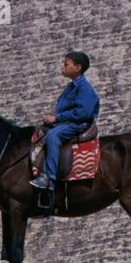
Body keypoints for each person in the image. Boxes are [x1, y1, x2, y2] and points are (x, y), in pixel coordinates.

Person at [29, 51, 100, 190]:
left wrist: (57, 118)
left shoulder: (84, 88)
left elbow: (82, 113)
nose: (63, 67)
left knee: (53, 136)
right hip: (67, 122)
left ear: (78, 67)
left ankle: (48, 177)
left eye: (66, 64)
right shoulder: (72, 86)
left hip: (76, 124)